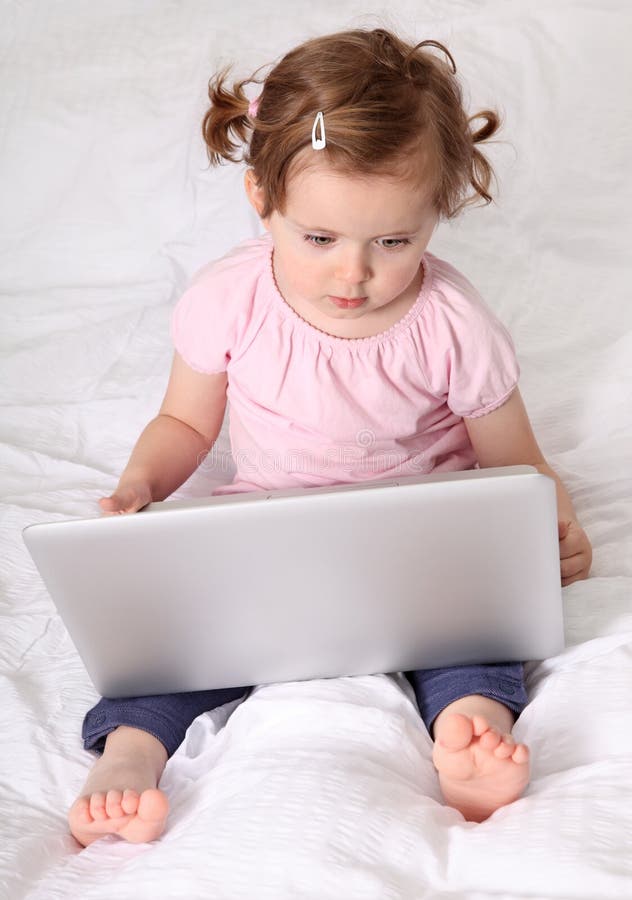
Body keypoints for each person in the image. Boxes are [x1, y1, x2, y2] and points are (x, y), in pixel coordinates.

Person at [68, 27, 592, 846]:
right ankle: (129, 757)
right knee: (170, 645)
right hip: (271, 536)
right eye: (319, 239)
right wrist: (142, 484)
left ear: (436, 212)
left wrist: (554, 526)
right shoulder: (229, 300)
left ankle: (472, 738)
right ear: (261, 197)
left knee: (477, 646)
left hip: (423, 550)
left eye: (394, 242)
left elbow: (516, 464)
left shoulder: (454, 324)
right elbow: (184, 421)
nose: (354, 273)